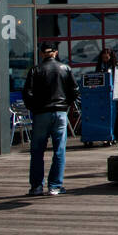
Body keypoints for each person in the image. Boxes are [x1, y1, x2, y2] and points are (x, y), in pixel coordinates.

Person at [22, 41, 78, 196]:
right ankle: (55, 185)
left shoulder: (35, 70)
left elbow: (27, 93)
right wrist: (66, 104)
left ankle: (36, 186)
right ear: (55, 52)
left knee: (37, 151)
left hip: (41, 113)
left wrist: (34, 108)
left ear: (41, 54)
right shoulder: (65, 68)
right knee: (59, 150)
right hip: (60, 112)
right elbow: (75, 91)